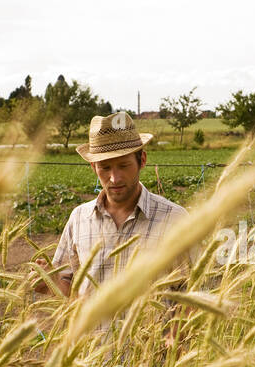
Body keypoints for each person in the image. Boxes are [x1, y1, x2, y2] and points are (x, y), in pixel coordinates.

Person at [38, 112, 193, 353]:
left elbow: (197, 289)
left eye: (123, 165)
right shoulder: (79, 219)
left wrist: (176, 334)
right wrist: (49, 281)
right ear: (93, 167)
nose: (114, 177)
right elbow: (71, 290)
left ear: (142, 160)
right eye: (105, 167)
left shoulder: (175, 219)